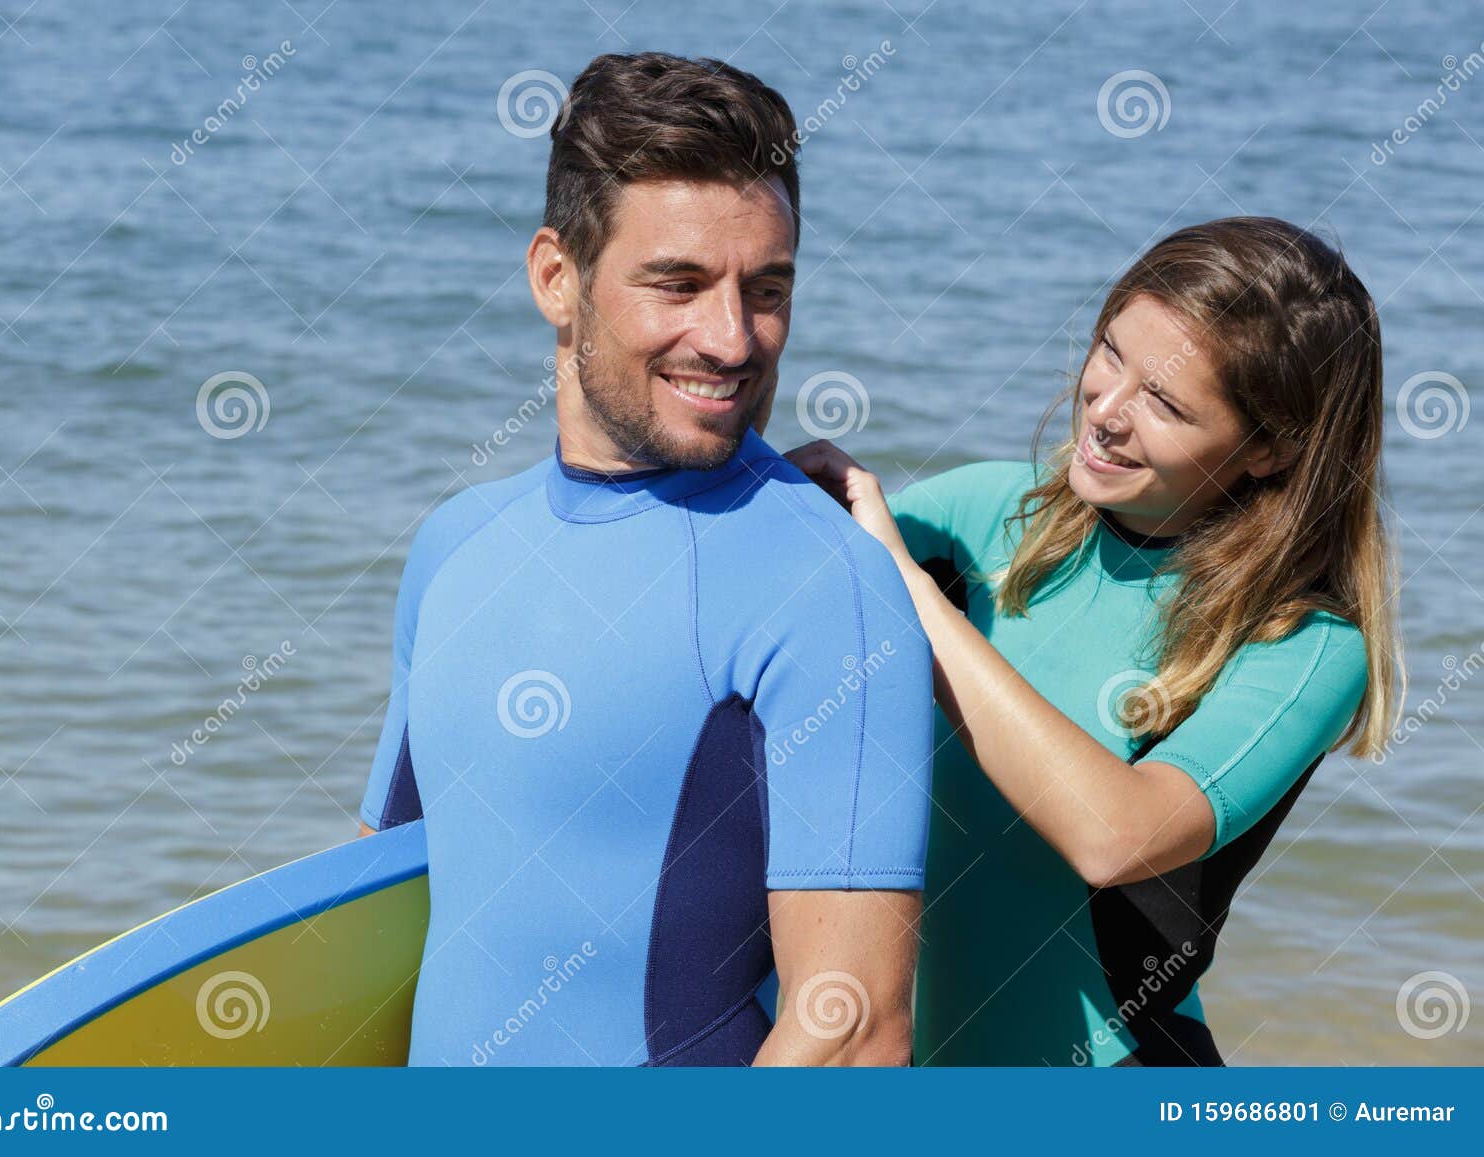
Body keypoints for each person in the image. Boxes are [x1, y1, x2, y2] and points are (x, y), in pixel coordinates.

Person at [357, 52, 935, 1067]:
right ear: (556, 277)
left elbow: (851, 1031)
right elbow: (372, 916)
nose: (732, 339)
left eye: (766, 289)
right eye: (680, 284)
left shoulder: (826, 586)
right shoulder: (456, 543)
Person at [787, 217, 1400, 1066]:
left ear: (1268, 449)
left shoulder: (1303, 644)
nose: (1106, 411)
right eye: (1111, 352)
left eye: (1165, 403)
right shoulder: (984, 514)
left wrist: (907, 590)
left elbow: (1116, 834)